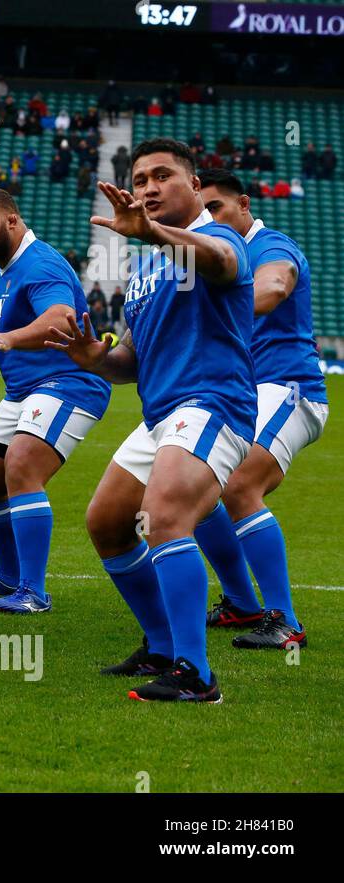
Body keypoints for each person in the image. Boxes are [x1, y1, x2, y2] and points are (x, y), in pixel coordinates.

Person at [49, 138, 256, 703]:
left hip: (213, 403)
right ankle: (163, 646)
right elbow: (130, 362)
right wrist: (95, 358)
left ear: (194, 187)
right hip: (161, 414)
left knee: (162, 516)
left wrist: (155, 233)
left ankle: (197, 675)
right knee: (107, 523)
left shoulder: (218, 238)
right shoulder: (143, 271)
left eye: (163, 176)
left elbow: (221, 264)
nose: (148, 188)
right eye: (139, 180)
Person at [0, 188, 111, 613]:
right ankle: (7, 578)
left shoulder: (39, 263)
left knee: (20, 464)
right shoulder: (3, 272)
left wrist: (8, 337)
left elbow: (60, 320)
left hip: (68, 382)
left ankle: (34, 593)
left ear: (12, 221)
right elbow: (4, 342)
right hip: (25, 390)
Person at [194, 169, 328, 649]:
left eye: (217, 208)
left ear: (245, 203)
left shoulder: (269, 246)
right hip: (243, 390)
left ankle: (285, 621)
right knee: (197, 484)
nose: (210, 219)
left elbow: (273, 288)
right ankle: (241, 603)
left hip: (289, 389)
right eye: (202, 211)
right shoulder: (208, 258)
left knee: (238, 482)